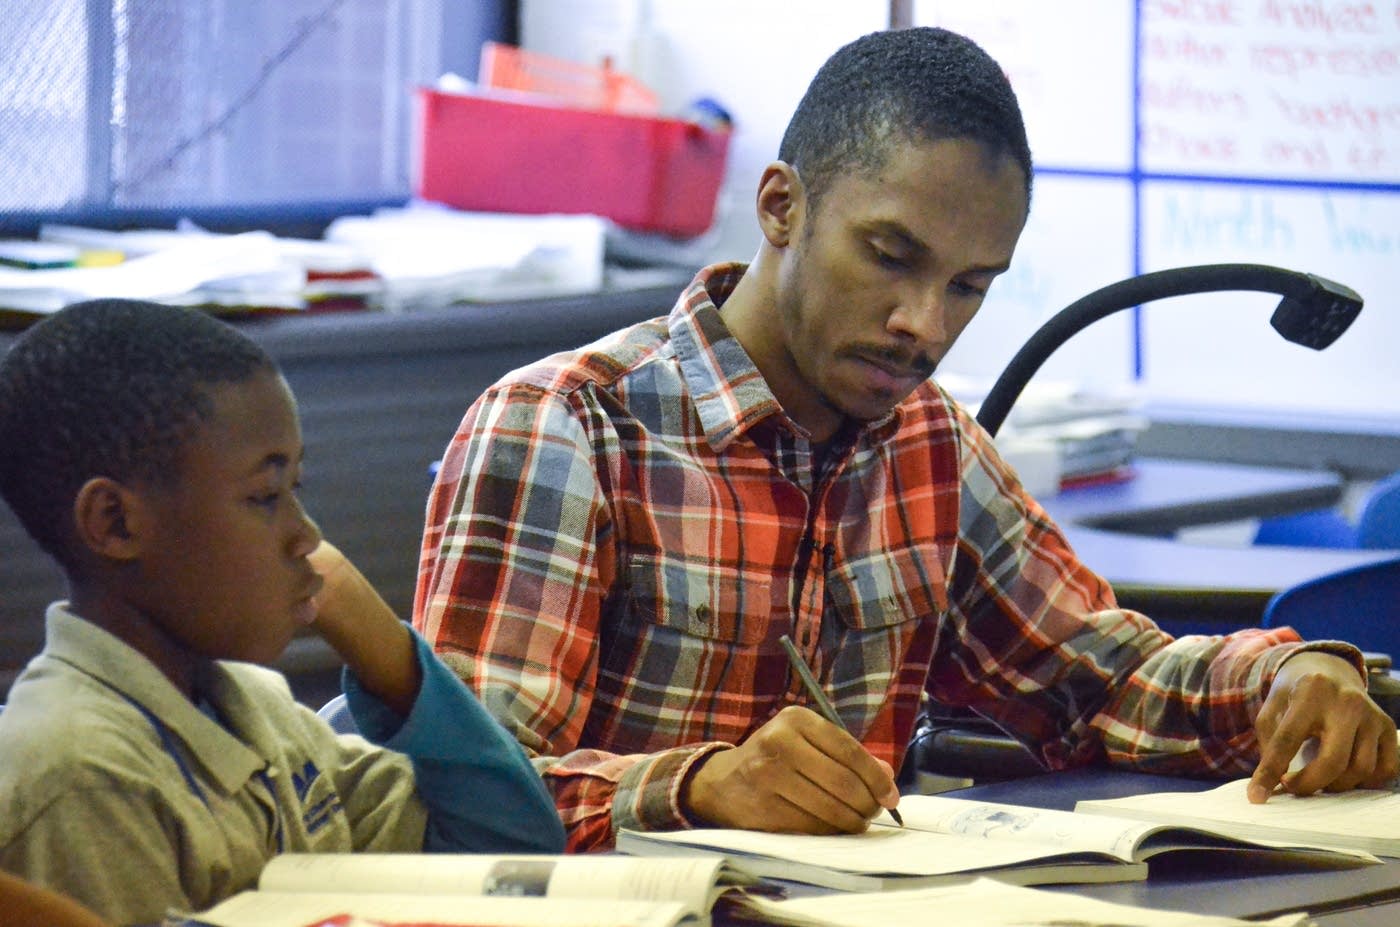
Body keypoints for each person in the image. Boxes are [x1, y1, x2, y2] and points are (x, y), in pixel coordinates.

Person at [413, 27, 1397, 852]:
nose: (924, 324)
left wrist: (1289, 678)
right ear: (780, 207)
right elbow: (463, 797)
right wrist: (699, 786)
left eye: (969, 285)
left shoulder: (924, 443)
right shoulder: (566, 428)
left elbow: (1096, 677)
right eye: (890, 256)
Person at [0, 299, 566, 925]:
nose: (307, 537)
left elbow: (508, 851)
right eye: (265, 496)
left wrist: (376, 639)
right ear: (115, 521)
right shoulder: (81, 779)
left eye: (296, 489)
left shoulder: (254, 708)